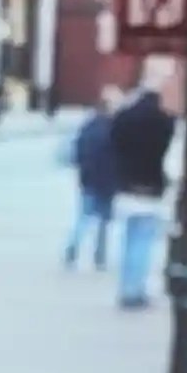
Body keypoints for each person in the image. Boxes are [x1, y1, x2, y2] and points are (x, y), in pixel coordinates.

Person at [110, 68, 179, 309]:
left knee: (128, 240)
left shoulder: (125, 117)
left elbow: (113, 139)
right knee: (143, 241)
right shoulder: (165, 120)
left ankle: (126, 286)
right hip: (151, 187)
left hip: (126, 185)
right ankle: (135, 289)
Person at [63, 86, 122, 270]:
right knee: (103, 221)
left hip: (88, 180)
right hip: (106, 182)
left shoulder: (89, 125)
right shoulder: (113, 128)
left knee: (85, 217)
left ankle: (74, 247)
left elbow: (79, 153)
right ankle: (99, 255)